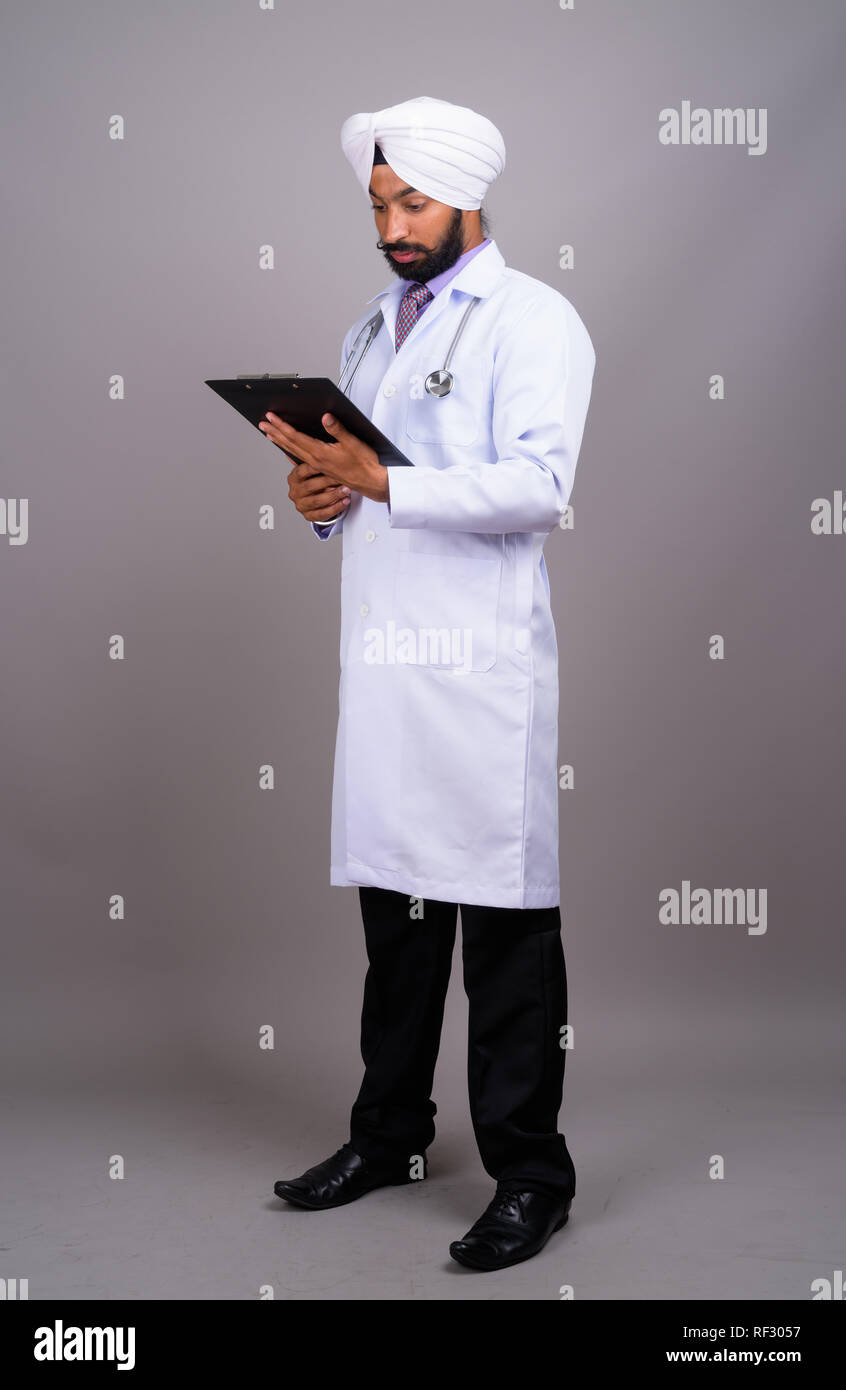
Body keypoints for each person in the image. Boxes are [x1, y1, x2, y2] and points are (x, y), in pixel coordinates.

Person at [261, 95, 596, 1272]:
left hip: (481, 679)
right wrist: (323, 496)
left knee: (507, 944)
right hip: (388, 674)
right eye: (378, 206)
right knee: (396, 928)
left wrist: (386, 485)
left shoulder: (533, 319)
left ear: (468, 198)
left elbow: (539, 487)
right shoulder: (371, 326)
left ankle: (532, 1175)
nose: (392, 225)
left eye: (411, 204)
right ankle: (389, 1136)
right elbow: (359, 477)